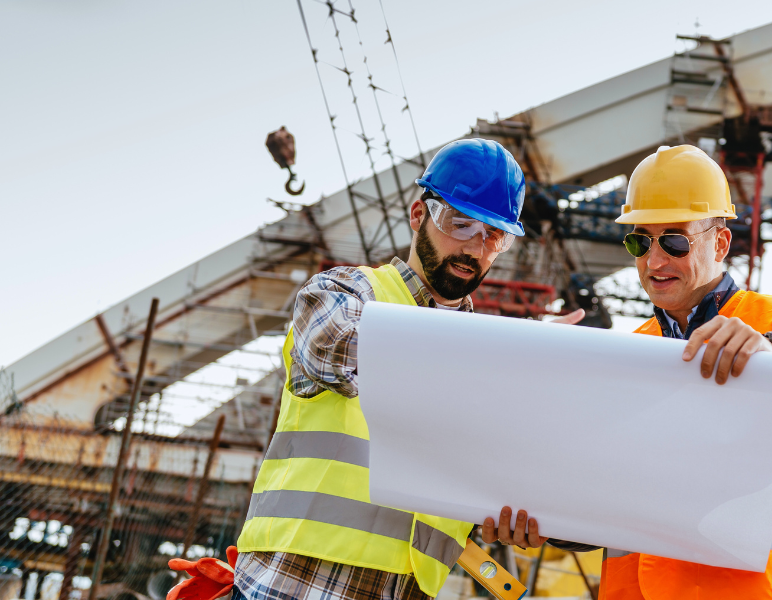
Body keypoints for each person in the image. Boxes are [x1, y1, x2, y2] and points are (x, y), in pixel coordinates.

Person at [233, 139, 590, 600]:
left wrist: (549, 522)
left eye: (493, 236)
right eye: (459, 223)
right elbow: (335, 346)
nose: (474, 248)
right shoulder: (345, 292)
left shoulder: (490, 366)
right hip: (294, 585)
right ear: (419, 215)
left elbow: (511, 476)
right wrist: (511, 356)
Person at [599, 145, 772, 600]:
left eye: (674, 241)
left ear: (721, 243)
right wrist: (546, 524)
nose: (653, 262)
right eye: (639, 241)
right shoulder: (628, 350)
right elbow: (607, 498)